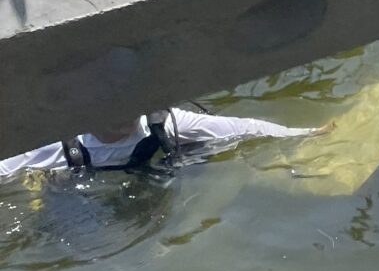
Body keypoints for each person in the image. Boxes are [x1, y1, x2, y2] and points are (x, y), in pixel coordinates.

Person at [0, 108, 317, 181]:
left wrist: (306, 133)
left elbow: (245, 128)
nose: (125, 115)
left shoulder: (164, 123)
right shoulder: (48, 144)